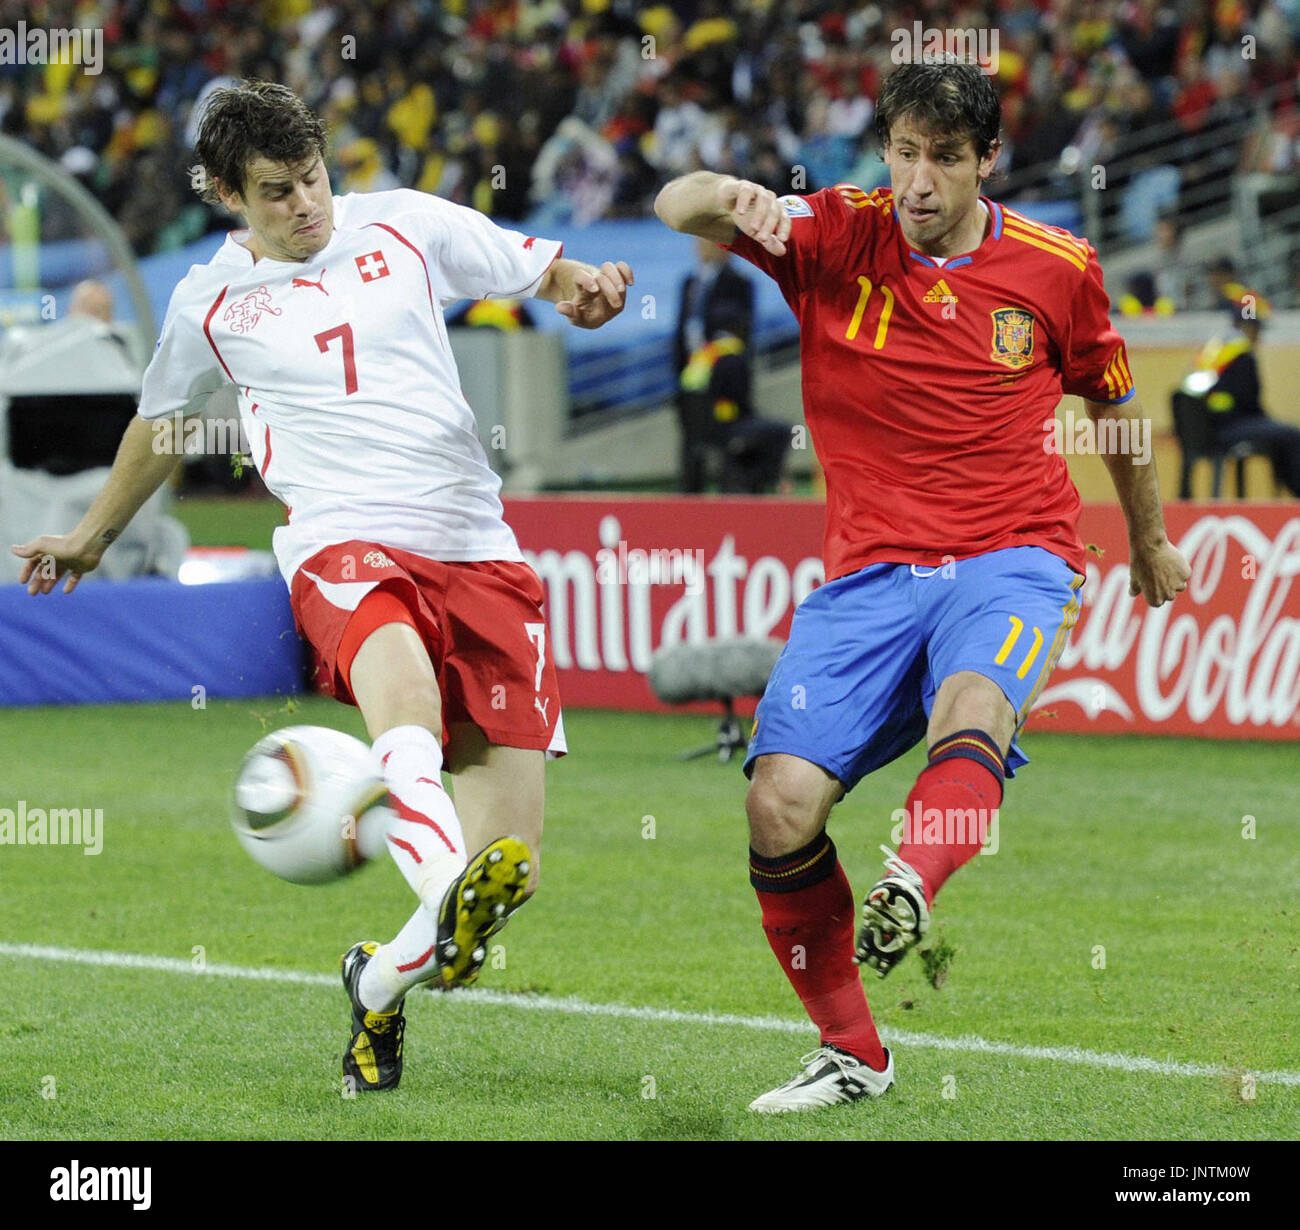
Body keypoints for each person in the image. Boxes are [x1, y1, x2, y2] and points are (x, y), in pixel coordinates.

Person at [11, 80, 633, 1094]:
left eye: (312, 178)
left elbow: (545, 271)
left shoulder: (405, 225)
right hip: (343, 546)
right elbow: (164, 425)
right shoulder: (207, 301)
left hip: (478, 549)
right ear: (224, 195)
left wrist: (587, 289)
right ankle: (443, 892)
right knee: (410, 715)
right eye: (275, 192)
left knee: (510, 861)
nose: (306, 204)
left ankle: (377, 984)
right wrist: (90, 534)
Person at [655, 58, 1190, 1113]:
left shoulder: (1055, 267)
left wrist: (1150, 537)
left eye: (945, 158)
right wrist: (727, 195)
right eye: (903, 154)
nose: (919, 181)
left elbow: (1114, 412)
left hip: (1012, 555)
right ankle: (854, 1050)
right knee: (778, 805)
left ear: (986, 161)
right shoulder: (832, 233)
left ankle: (911, 878)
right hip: (867, 578)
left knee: (973, 706)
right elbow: (674, 206)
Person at [1196, 289, 1300, 495]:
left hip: (1207, 427)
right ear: (1247, 325)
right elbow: (1249, 401)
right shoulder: (1242, 354)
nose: (1259, 335)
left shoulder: (1216, 348)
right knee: (1292, 436)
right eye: (1257, 328)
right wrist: (1265, 418)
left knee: (1279, 432)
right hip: (1231, 426)